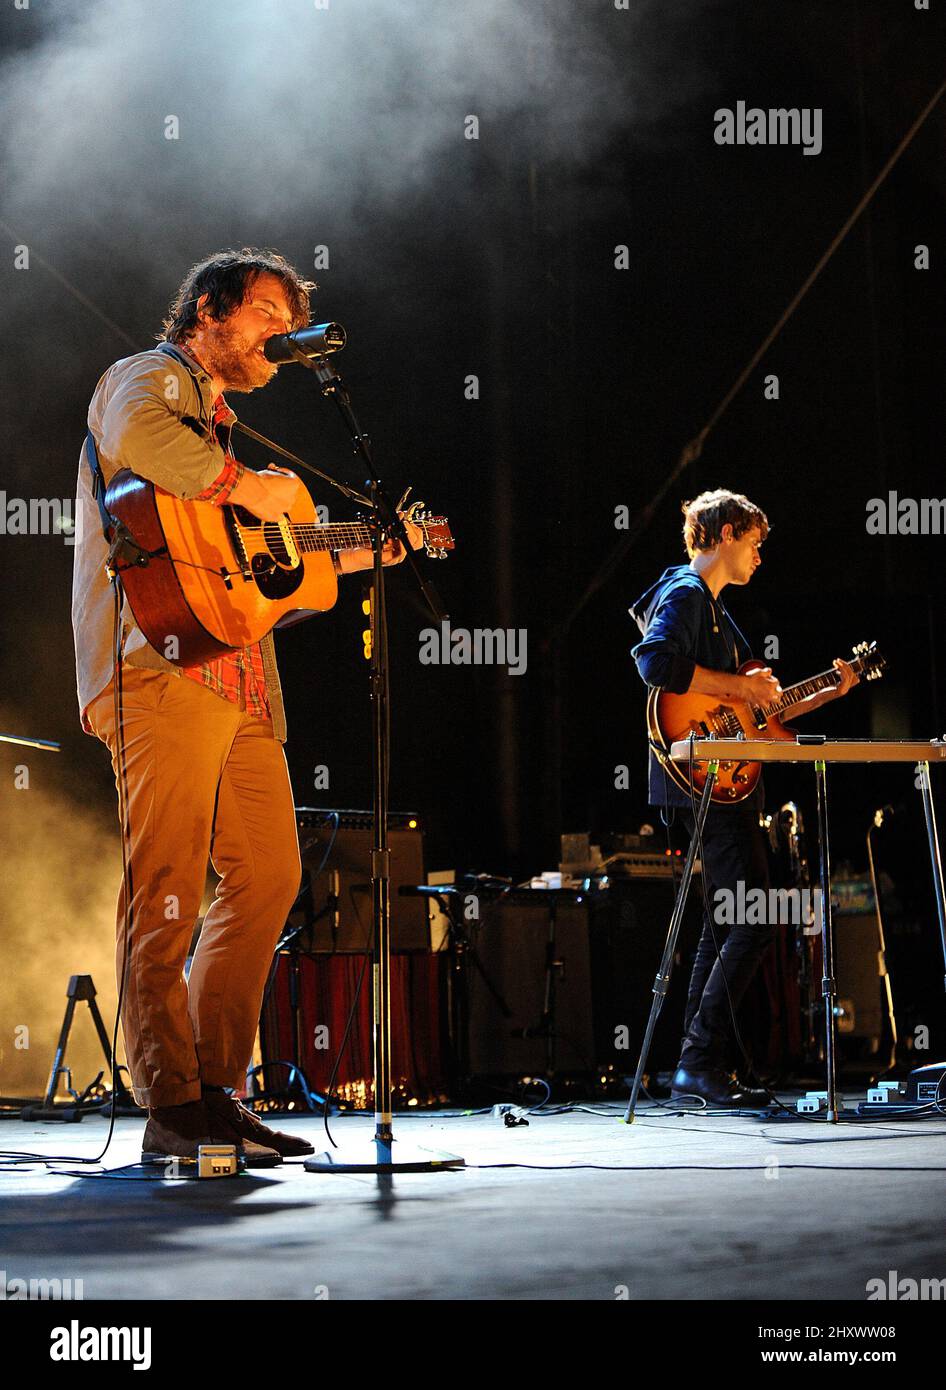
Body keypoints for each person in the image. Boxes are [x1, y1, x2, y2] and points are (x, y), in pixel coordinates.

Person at [72, 248, 417, 1163]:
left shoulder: (222, 436)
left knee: (267, 874)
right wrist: (246, 486)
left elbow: (264, 570)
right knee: (168, 884)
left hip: (241, 681)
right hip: (158, 665)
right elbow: (142, 442)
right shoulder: (147, 377)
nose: (282, 331)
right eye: (269, 309)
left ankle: (214, 1086)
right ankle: (169, 1106)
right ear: (210, 311)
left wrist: (372, 549)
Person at [630, 489, 857, 1106]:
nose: (759, 555)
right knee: (752, 918)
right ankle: (699, 1062)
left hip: (722, 782)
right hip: (706, 778)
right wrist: (735, 685)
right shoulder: (684, 592)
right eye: (754, 542)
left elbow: (757, 712)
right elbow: (653, 663)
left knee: (727, 923)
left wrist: (830, 690)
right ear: (726, 533)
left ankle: (695, 1069)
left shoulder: (714, 611)